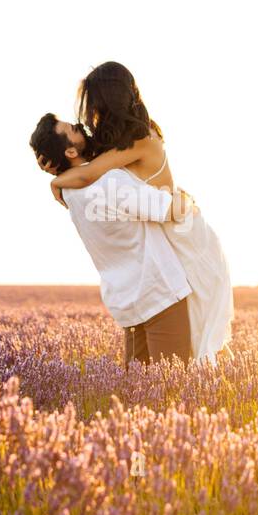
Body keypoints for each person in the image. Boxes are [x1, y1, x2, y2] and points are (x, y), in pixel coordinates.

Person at [46, 62, 233, 364]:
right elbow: (85, 169)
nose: (90, 114)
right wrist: (55, 167)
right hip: (165, 232)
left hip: (182, 235)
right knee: (188, 345)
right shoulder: (117, 144)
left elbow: (87, 173)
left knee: (200, 336)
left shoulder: (139, 139)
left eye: (94, 103)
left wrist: (56, 181)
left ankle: (217, 404)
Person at [30, 113, 198, 364]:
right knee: (175, 387)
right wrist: (187, 199)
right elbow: (171, 210)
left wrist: (55, 176)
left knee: (139, 396)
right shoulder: (110, 182)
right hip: (160, 293)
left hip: (126, 302)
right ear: (71, 152)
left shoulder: (68, 192)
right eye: (72, 129)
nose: (79, 126)